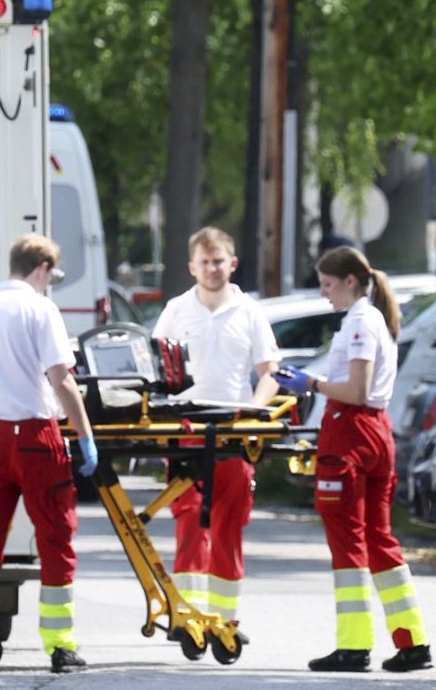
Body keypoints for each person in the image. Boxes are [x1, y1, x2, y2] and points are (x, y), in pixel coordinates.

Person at [276, 246, 432, 673]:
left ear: (349, 281)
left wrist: (311, 383)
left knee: (348, 539)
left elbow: (357, 390)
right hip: (377, 433)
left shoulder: (360, 322)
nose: (324, 294)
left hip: (351, 433)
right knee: (380, 539)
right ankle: (412, 642)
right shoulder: (374, 318)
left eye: (328, 285)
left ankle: (354, 646)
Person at [0, 234, 99, 675]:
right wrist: (86, 435)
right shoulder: (41, 309)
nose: (50, 282)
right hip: (35, 439)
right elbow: (61, 380)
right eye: (51, 275)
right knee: (55, 539)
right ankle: (60, 646)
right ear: (41, 268)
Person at [150, 227, 280, 633]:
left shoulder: (251, 312)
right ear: (192, 267)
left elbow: (270, 372)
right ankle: (187, 615)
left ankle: (225, 618)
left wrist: (255, 413)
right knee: (188, 518)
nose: (212, 269)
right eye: (204, 262)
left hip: (233, 427)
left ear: (233, 264)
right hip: (186, 425)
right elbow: (155, 368)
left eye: (219, 261)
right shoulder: (176, 310)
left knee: (228, 523)